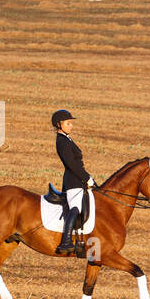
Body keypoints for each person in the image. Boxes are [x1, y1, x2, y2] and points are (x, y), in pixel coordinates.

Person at [52, 109, 94, 254]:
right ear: (59, 125)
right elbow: (72, 164)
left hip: (78, 180)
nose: (71, 126)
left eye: (71, 123)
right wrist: (86, 177)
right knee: (75, 208)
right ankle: (66, 242)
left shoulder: (66, 139)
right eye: (68, 123)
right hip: (73, 181)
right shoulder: (62, 141)